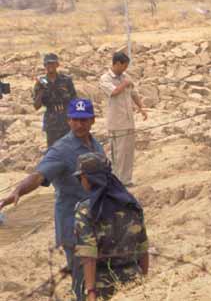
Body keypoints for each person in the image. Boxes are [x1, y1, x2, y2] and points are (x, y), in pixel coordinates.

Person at [0, 98, 104, 296]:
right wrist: (18, 191)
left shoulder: (95, 144)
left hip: (95, 218)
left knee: (99, 274)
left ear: (92, 120)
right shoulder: (62, 149)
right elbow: (39, 175)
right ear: (68, 121)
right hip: (73, 223)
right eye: (75, 120)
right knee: (81, 277)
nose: (79, 125)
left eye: (84, 120)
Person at [73, 152, 149, 301]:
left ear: (87, 179)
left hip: (102, 286)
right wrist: (144, 282)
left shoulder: (86, 211)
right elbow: (143, 249)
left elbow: (88, 255)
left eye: (80, 178)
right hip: (134, 281)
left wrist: (91, 291)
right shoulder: (130, 203)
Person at [99, 52, 147, 186]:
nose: (125, 69)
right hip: (116, 122)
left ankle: (126, 180)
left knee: (128, 153)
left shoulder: (126, 77)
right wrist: (125, 84)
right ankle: (118, 181)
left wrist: (141, 107)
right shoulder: (105, 79)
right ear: (117, 63)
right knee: (118, 154)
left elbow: (133, 93)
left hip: (128, 121)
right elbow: (113, 92)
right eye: (124, 66)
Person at [34, 53, 77, 147]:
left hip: (66, 119)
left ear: (57, 64)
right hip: (51, 121)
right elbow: (36, 106)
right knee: (53, 149)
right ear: (44, 65)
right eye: (48, 64)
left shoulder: (66, 80)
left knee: (70, 147)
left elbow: (74, 100)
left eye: (52, 63)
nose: (50, 66)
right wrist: (40, 91)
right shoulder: (41, 82)